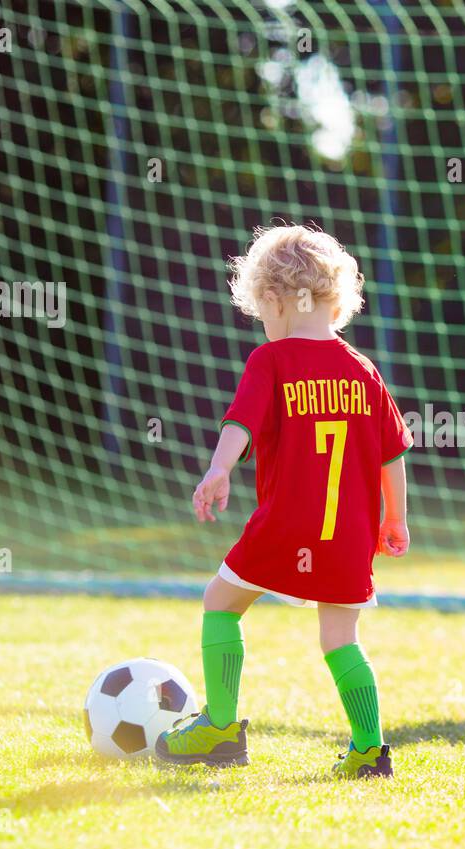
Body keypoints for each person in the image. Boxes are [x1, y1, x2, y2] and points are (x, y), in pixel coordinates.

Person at [155, 224, 412, 777]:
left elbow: (241, 422)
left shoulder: (269, 363)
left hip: (285, 526)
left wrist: (220, 469)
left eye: (260, 311)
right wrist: (397, 519)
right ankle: (370, 750)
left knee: (221, 602)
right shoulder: (364, 373)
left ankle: (221, 728)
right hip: (348, 534)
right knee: (341, 639)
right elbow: (392, 456)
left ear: (273, 299)